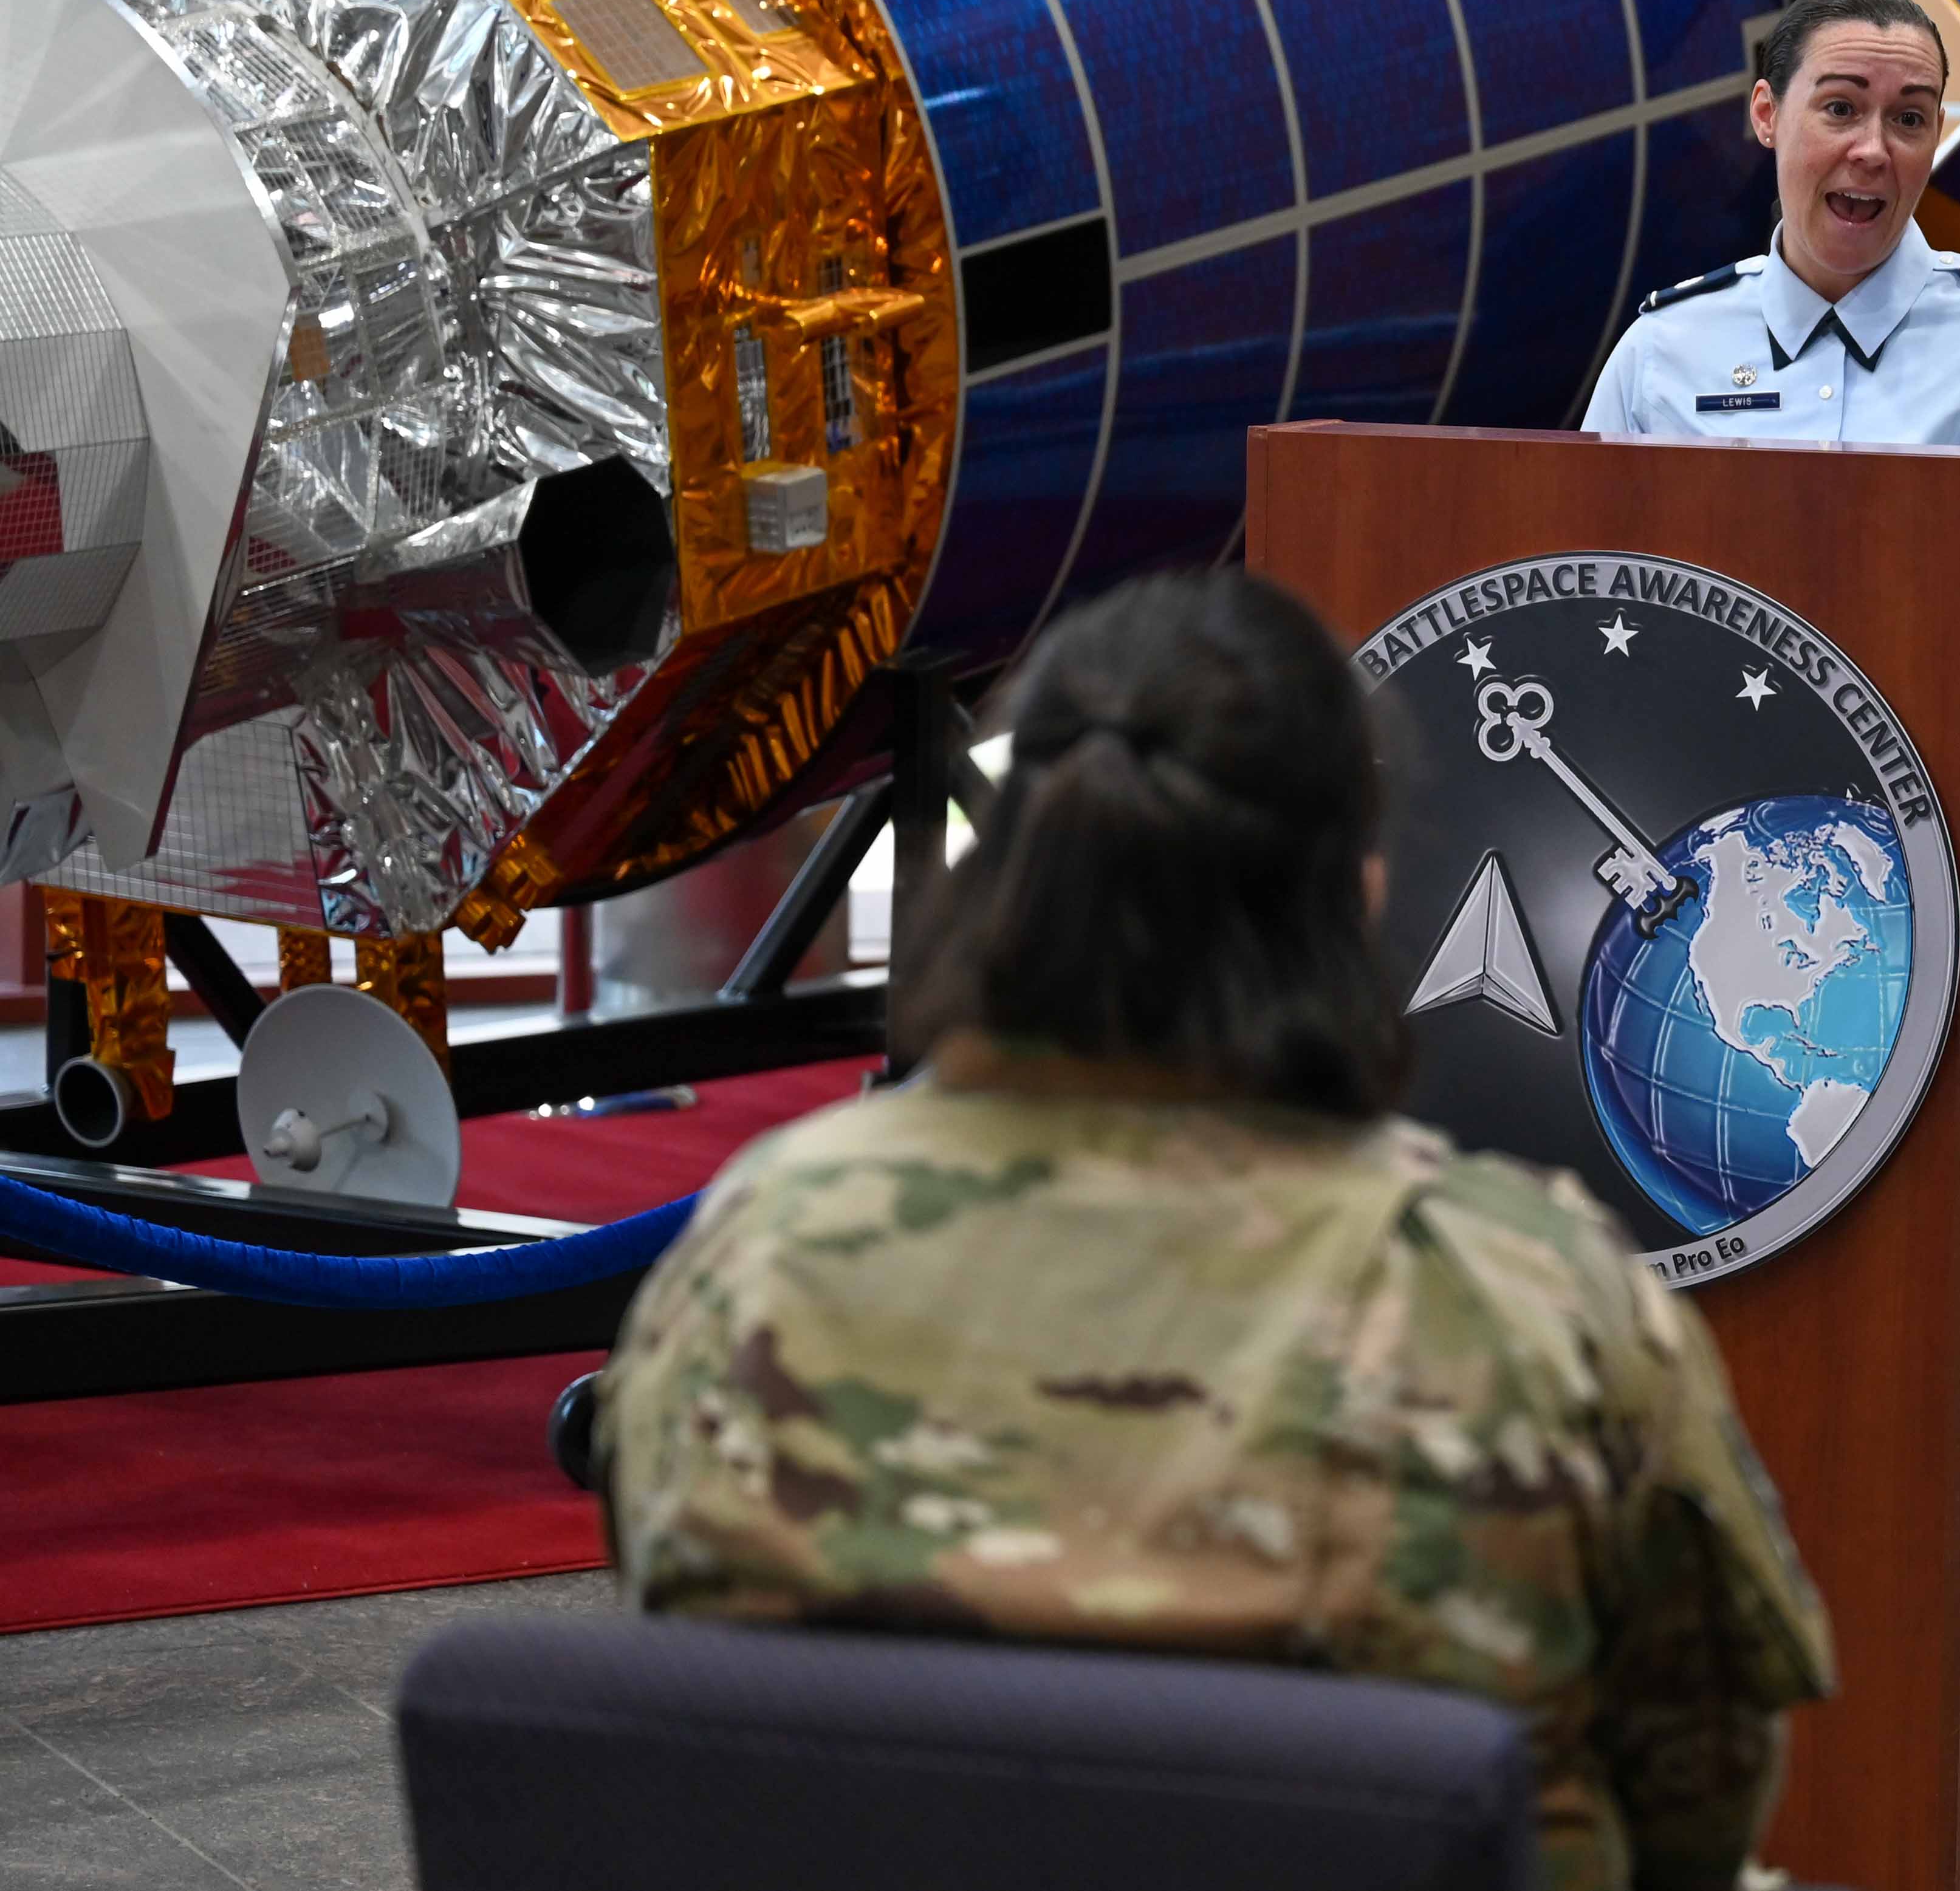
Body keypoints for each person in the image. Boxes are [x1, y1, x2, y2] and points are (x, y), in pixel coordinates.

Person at [597, 568, 1834, 1891]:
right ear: (1356, 894)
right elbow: (1698, 1811)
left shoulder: (753, 1252)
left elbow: (684, 1689)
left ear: (1011, 863)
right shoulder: (1534, 1306)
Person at [1580, 0, 1960, 682]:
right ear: (1767, 114)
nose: (1873, 150)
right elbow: (1591, 586)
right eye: (1840, 108)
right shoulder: (1662, 349)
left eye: (1909, 120)